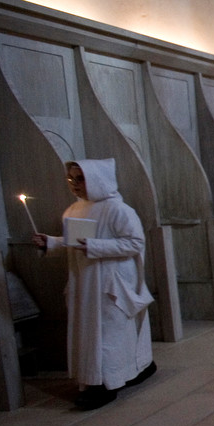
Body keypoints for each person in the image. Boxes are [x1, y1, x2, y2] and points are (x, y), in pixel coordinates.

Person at [32, 159, 156, 410]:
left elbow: (135, 243)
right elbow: (75, 242)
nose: (74, 184)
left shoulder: (118, 209)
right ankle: (108, 376)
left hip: (109, 282)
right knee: (91, 333)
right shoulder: (74, 209)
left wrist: (95, 246)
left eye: (80, 179)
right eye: (71, 179)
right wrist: (51, 243)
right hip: (85, 283)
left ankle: (107, 383)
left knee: (109, 334)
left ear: (97, 179)